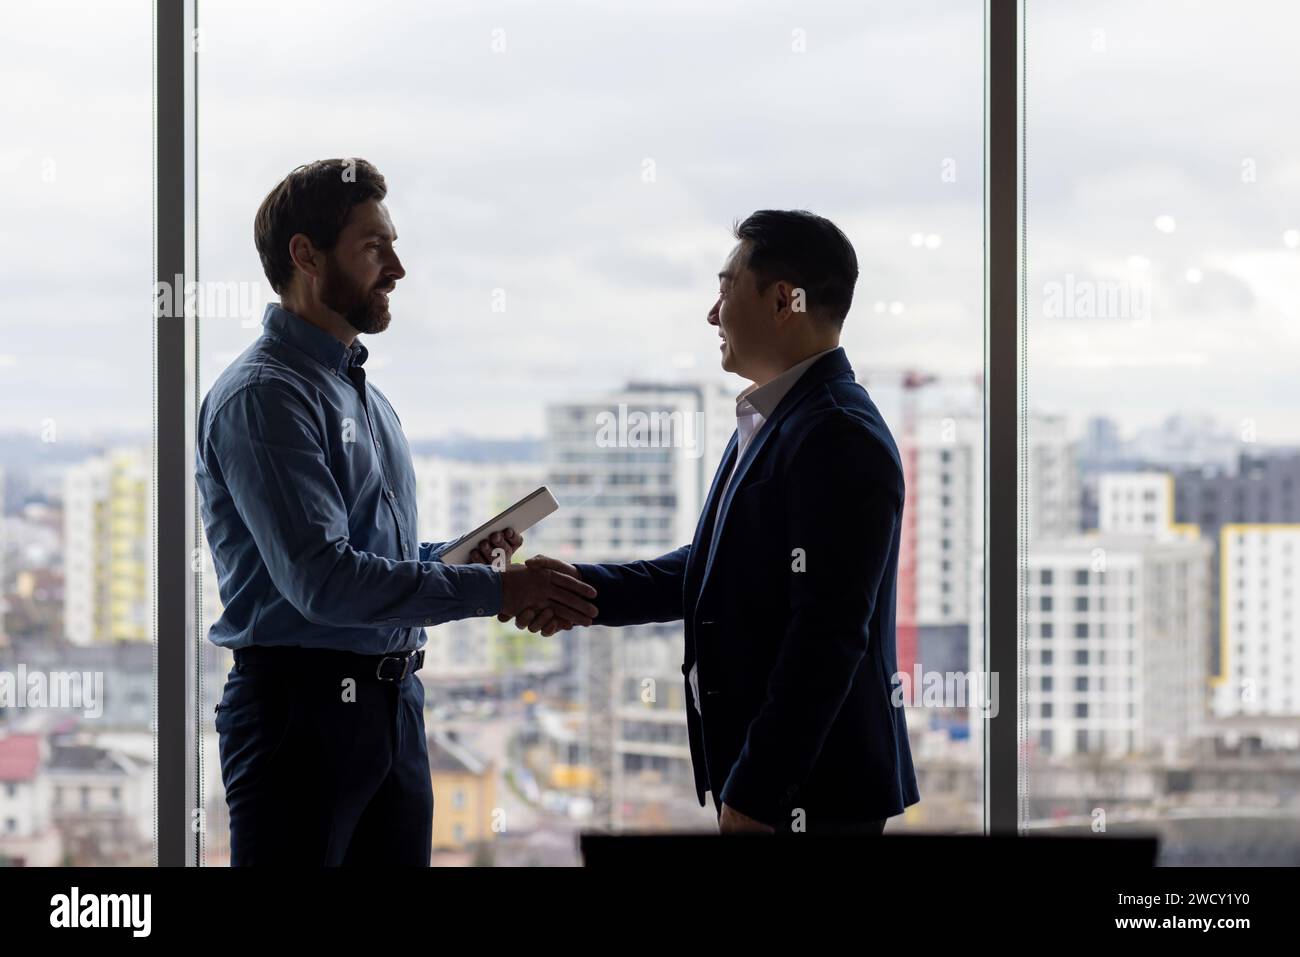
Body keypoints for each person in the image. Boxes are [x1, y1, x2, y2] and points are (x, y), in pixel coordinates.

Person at [196, 158, 597, 865]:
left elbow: (369, 563)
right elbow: (324, 581)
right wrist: (497, 590)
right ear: (305, 255)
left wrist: (460, 558)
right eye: (375, 247)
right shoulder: (265, 397)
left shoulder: (364, 397)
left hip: (393, 708)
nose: (398, 268)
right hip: (301, 719)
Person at [513, 210, 919, 835]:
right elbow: (716, 570)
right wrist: (581, 589)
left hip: (814, 793)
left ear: (784, 300)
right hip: (790, 787)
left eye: (726, 288)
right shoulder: (779, 417)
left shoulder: (837, 433)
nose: (712, 313)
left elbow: (828, 637)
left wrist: (758, 792)